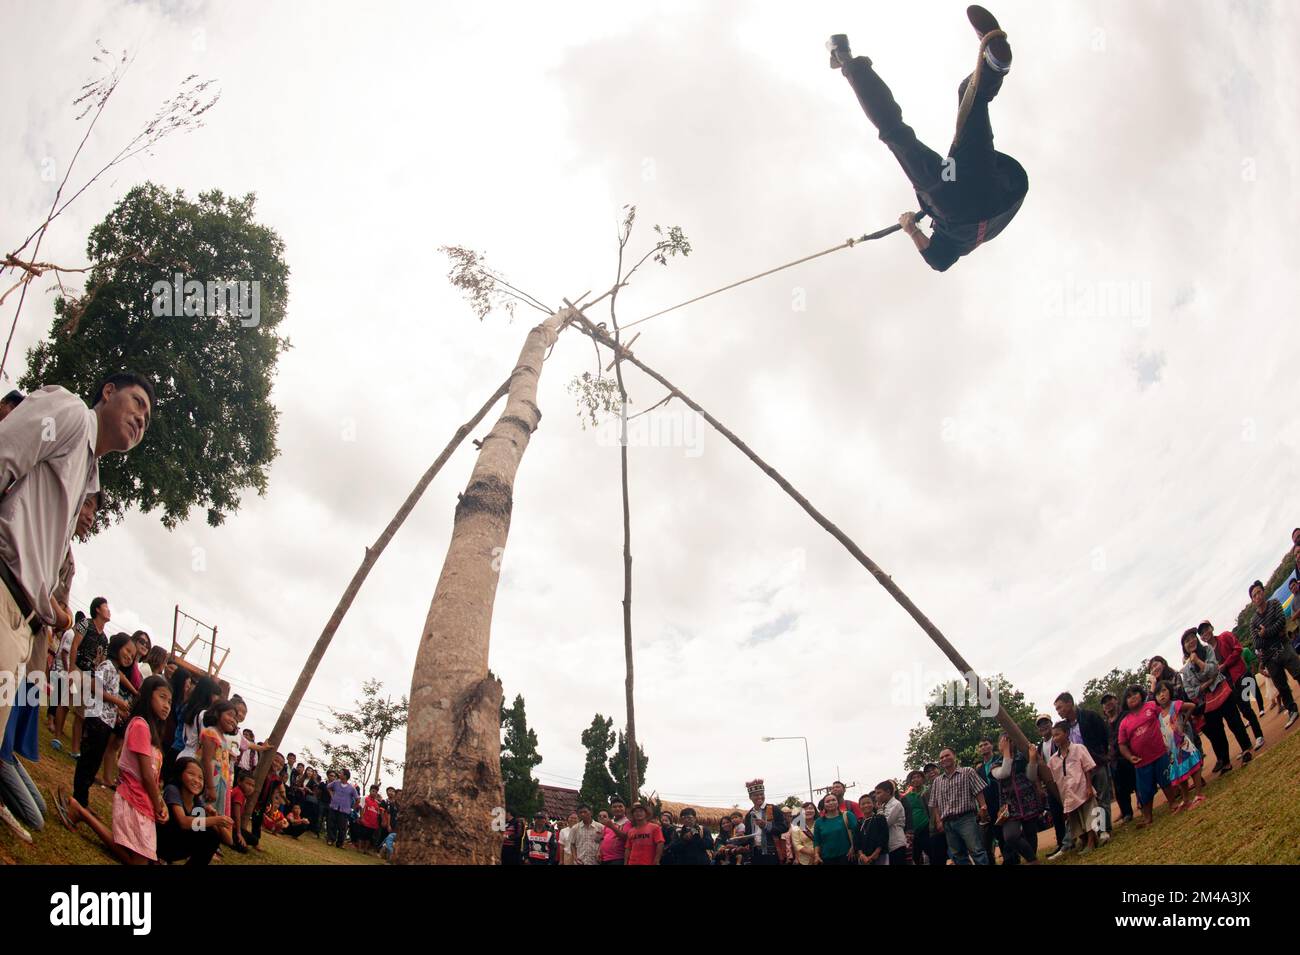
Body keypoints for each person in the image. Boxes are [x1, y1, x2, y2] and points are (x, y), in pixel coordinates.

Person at [0, 373, 153, 752]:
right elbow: (4, 453)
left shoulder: (88, 475)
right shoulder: (68, 411)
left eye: (147, 420)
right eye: (137, 403)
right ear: (108, 391)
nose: (141, 419)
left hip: (22, 622)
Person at [827, 5, 1026, 273]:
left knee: (972, 97)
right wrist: (911, 229)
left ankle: (994, 65)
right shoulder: (951, 240)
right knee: (895, 133)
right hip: (954, 201)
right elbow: (938, 261)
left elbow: (943, 257)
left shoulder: (967, 241)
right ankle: (845, 57)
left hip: (986, 185)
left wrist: (926, 221)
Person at [55, 675, 171, 865]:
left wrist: (160, 805)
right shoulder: (141, 726)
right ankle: (81, 813)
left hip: (143, 803)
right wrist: (159, 805)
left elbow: (154, 776)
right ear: (149, 696)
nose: (167, 705)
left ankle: (79, 812)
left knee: (145, 860)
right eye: (162, 697)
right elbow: (146, 776)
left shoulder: (152, 731)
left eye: (170, 701)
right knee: (138, 863)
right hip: (133, 801)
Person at [71, 633, 134, 808]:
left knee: (94, 763)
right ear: (117, 646)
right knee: (88, 762)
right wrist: (119, 702)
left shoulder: (114, 669)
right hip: (96, 720)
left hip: (104, 722)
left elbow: (107, 694)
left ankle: (81, 800)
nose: (129, 656)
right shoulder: (107, 666)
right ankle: (78, 800)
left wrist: (117, 710)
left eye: (132, 655)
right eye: (127, 650)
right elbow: (94, 687)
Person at [1179, 627, 1253, 774]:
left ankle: (1246, 750)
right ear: (1184, 647)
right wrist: (1206, 684)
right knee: (1217, 732)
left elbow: (1215, 670)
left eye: (1193, 637)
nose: (1191, 641)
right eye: (1187, 641)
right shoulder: (1185, 669)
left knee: (1235, 722)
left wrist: (1199, 662)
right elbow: (1190, 690)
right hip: (1207, 701)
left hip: (1223, 691)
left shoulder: (1207, 651)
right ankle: (1225, 762)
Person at [1053, 691, 1113, 841]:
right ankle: (1094, 832)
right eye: (1057, 710)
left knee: (1102, 797)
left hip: (1096, 763)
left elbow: (1105, 736)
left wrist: (1104, 756)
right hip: (1079, 771)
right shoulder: (1064, 727)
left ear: (1069, 703)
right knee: (1089, 801)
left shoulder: (1089, 716)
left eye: (1060, 707)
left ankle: (1104, 830)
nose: (1059, 712)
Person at [1118, 685, 1179, 828]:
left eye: (1135, 694)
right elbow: (1122, 745)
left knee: (1166, 782)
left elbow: (1165, 716)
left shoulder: (1151, 706)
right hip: (1141, 762)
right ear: (1125, 702)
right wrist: (1129, 757)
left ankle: (1173, 804)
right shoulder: (1124, 722)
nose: (1132, 697)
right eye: (1128, 696)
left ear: (1141, 694)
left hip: (1160, 754)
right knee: (1145, 790)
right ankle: (1147, 817)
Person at [154, 757, 227, 864]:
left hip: (178, 845)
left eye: (201, 778)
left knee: (211, 835)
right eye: (191, 774)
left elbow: (228, 840)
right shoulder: (172, 790)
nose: (196, 780)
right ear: (180, 774)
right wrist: (215, 820)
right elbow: (183, 822)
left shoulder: (197, 801)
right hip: (162, 844)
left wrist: (215, 818)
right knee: (208, 832)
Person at [1248, 580, 1300, 728]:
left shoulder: (1275, 603)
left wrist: (1266, 633)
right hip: (1270, 658)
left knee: (1298, 672)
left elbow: (1282, 621)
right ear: (1252, 600)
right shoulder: (1253, 621)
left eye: (1258, 592)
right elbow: (1257, 643)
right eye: (1254, 595)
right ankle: (1292, 710)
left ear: (1263, 592)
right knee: (1281, 686)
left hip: (1284, 647)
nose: (1257, 596)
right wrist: (1270, 635)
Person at [928, 747, 990, 864]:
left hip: (966, 819)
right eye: (941, 757)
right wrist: (938, 821)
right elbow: (935, 803)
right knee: (958, 855)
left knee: (977, 851)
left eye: (947, 755)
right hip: (947, 822)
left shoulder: (967, 771)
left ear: (954, 756)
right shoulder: (937, 781)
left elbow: (978, 791)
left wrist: (983, 807)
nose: (944, 759)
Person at [1047, 721, 1100, 855]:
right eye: (1053, 736)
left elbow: (1087, 768)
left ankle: (1091, 842)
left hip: (1082, 787)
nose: (1055, 738)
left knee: (1089, 816)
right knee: (1075, 821)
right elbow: (1054, 780)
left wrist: (1088, 787)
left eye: (1058, 734)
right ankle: (1086, 840)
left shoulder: (1079, 748)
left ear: (1067, 733)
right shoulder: (1053, 760)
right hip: (1068, 794)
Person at [1154, 681, 1206, 813]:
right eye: (1158, 693)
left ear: (1170, 691)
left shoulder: (1175, 705)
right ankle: (1186, 799)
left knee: (1193, 768)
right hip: (1172, 750)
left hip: (1183, 744)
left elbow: (1191, 706)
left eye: (1164, 691)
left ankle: (1199, 794)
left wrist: (1184, 721)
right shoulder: (1159, 715)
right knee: (1180, 774)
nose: (1162, 695)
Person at [991, 733, 1042, 864]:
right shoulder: (995, 765)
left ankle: (1032, 859)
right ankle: (1034, 860)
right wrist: (1006, 751)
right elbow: (1004, 772)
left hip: (1028, 801)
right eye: (1005, 741)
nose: (1009, 743)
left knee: (1030, 832)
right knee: (1011, 836)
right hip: (1010, 806)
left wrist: (1032, 759)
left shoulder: (1022, 758)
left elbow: (1031, 777)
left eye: (1010, 740)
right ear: (999, 746)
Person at [198, 700, 237, 837]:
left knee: (215, 812)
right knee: (205, 810)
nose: (233, 720)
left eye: (235, 718)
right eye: (230, 715)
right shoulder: (210, 733)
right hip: (211, 781)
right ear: (217, 713)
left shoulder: (223, 738)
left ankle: (212, 840)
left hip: (221, 783)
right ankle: (199, 839)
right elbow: (206, 760)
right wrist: (210, 787)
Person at [1101, 693, 1135, 826]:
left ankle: (1143, 803)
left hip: (1128, 753)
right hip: (1114, 759)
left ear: (1116, 701)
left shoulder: (1125, 715)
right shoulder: (1105, 724)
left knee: (1135, 781)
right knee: (1120, 788)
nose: (1108, 703)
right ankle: (1126, 812)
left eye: (1110, 700)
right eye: (1105, 702)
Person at [742, 778, 789, 865]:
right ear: (750, 797)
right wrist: (740, 839)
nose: (760, 797)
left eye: (761, 794)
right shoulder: (749, 815)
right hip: (755, 854)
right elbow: (749, 836)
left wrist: (766, 825)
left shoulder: (773, 809)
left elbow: (784, 827)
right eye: (756, 795)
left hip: (772, 852)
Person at [811, 792, 857, 864]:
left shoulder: (847, 815)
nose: (831, 802)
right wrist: (816, 855)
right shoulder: (818, 822)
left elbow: (857, 834)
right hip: (826, 859)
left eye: (833, 800)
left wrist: (853, 847)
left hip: (847, 857)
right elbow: (816, 841)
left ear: (838, 802)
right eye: (827, 801)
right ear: (824, 805)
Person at [874, 780, 909, 865]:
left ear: (888, 791)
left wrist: (879, 810)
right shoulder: (883, 805)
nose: (876, 796)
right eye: (876, 793)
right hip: (888, 846)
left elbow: (885, 823)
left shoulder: (896, 804)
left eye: (879, 793)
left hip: (896, 844)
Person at [901, 770, 930, 864]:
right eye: (913, 778)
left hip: (927, 828)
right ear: (910, 781)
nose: (916, 779)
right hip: (913, 832)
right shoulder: (906, 797)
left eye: (918, 777)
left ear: (923, 779)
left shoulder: (929, 791)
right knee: (916, 857)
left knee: (932, 853)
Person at [325, 767, 358, 849]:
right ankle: (331, 839)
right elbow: (328, 787)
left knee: (342, 827)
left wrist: (352, 808)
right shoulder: (336, 783)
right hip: (334, 807)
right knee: (331, 824)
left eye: (341, 773)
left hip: (344, 810)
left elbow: (357, 799)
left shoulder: (351, 788)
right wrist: (332, 795)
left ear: (345, 776)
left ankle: (340, 843)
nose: (339, 774)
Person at [597, 797, 631, 865]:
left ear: (625, 809)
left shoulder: (628, 823)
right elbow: (603, 839)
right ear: (611, 809)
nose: (617, 809)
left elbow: (625, 837)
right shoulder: (609, 822)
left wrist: (612, 826)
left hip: (618, 859)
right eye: (614, 807)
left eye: (620, 806)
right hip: (604, 859)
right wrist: (599, 851)